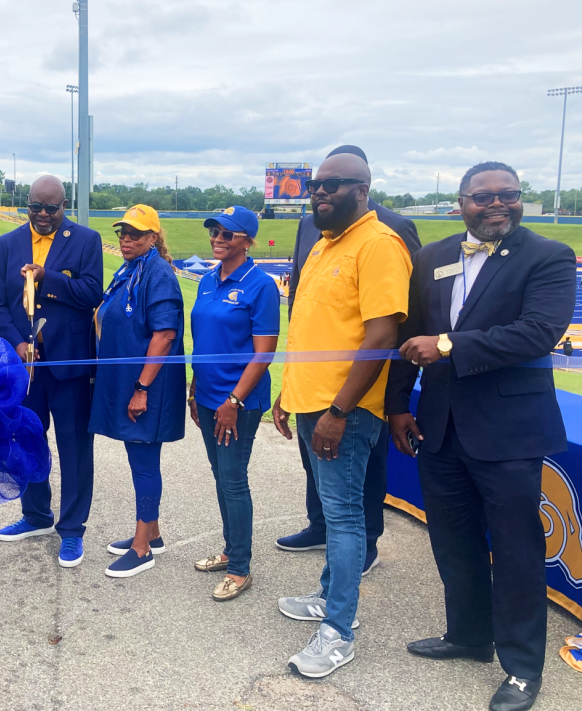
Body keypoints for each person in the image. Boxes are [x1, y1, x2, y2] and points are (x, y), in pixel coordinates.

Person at [386, 162, 576, 711]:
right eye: (483, 197)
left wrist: (446, 345)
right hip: (440, 426)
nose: (497, 205)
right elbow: (406, 338)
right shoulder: (433, 256)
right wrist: (398, 404)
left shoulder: (548, 256)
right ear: (460, 202)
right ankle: (468, 636)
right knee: (452, 539)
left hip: (509, 431)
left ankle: (521, 669)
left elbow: (538, 332)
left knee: (516, 550)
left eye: (509, 195)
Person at [272, 152, 412, 677]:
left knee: (346, 517)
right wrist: (287, 393)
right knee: (333, 514)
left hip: (344, 411)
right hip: (311, 402)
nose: (320, 192)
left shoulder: (378, 246)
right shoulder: (325, 244)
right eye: (315, 184)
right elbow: (310, 330)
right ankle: (329, 596)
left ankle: (339, 631)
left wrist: (337, 410)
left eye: (333, 184)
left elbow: (381, 338)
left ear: (363, 189)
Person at [0, 175, 104, 568]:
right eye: (35, 206)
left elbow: (91, 293)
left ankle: (71, 531)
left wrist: (47, 279)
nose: (41, 215)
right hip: (26, 366)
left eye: (50, 208)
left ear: (64, 205)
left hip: (69, 364)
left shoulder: (86, 241)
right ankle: (36, 515)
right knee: (27, 442)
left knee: (74, 449)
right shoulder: (7, 244)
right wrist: (18, 343)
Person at [89, 205, 185, 578]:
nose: (126, 239)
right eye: (122, 233)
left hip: (147, 387)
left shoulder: (158, 274)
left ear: (153, 238)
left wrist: (142, 388)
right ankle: (153, 532)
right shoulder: (132, 267)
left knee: (144, 463)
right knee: (137, 459)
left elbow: (164, 335)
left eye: (135, 234)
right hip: (129, 382)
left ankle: (142, 548)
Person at [189, 206, 279, 601]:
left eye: (227, 233)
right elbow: (203, 341)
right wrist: (194, 388)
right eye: (214, 231)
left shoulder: (260, 286)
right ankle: (231, 550)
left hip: (238, 403)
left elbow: (264, 354)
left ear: (247, 239)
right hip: (208, 396)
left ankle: (240, 568)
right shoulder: (208, 279)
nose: (217, 238)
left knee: (233, 479)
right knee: (220, 475)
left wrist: (234, 400)